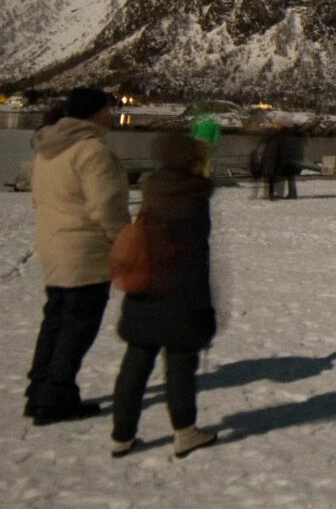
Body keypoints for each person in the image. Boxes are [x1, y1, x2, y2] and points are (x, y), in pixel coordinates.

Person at [108, 131, 219, 459]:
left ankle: (121, 435)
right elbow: (195, 259)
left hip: (144, 289)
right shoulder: (192, 198)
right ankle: (185, 432)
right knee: (181, 367)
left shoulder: (152, 189)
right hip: (180, 294)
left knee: (135, 365)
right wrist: (204, 311)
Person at [26, 87, 131, 424]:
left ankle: (38, 391)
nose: (110, 115)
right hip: (85, 250)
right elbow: (106, 206)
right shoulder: (91, 150)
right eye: (107, 109)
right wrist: (124, 241)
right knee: (78, 326)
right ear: (94, 113)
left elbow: (38, 199)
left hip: (53, 246)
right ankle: (56, 396)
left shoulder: (46, 150)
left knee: (56, 320)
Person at [267, 119, 304, 201]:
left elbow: (279, 149)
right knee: (291, 177)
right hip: (294, 160)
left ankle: (280, 194)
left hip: (285, 161)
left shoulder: (283, 137)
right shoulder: (295, 137)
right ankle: (292, 194)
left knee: (280, 177)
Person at [188, 112, 222, 178]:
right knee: (207, 160)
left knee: (196, 159)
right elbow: (216, 137)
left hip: (197, 141)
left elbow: (192, 132)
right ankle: (205, 176)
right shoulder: (215, 124)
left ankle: (194, 174)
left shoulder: (198, 122)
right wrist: (215, 145)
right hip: (207, 143)